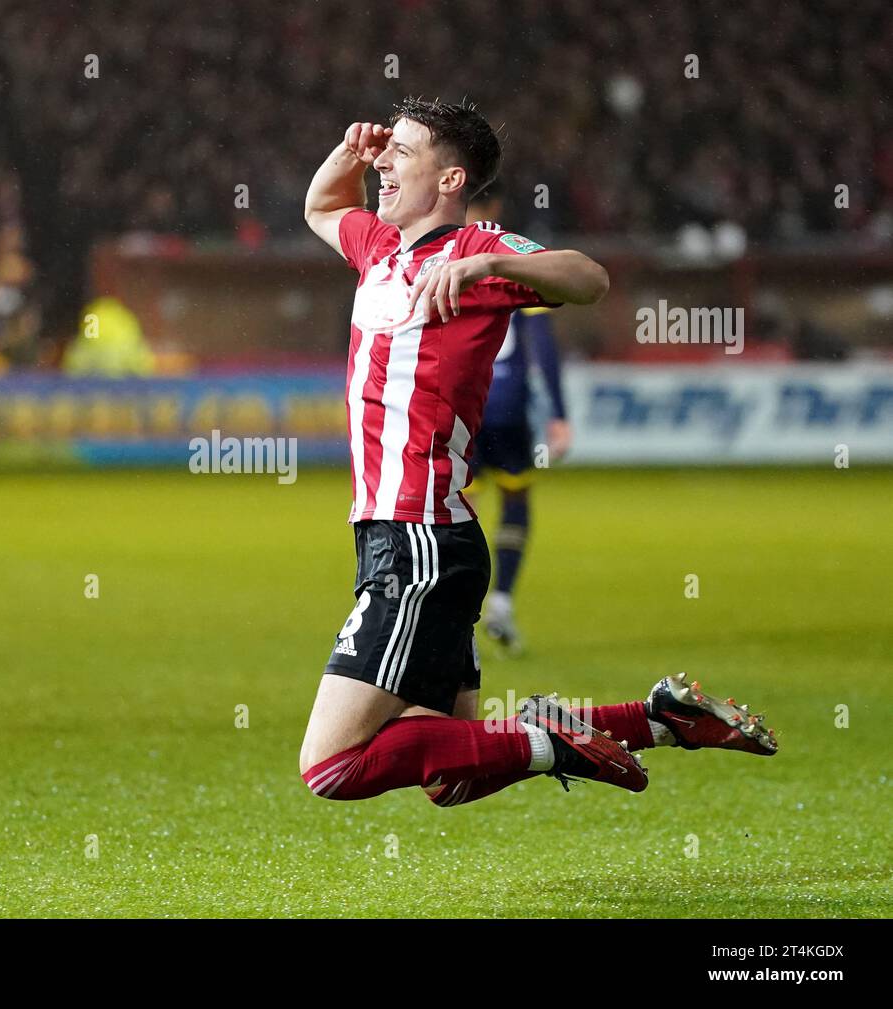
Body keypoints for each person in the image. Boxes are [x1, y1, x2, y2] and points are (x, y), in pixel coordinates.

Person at [299, 98, 775, 806]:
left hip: (417, 540)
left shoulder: (472, 253)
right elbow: (319, 208)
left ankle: (547, 738)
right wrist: (352, 150)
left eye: (402, 151)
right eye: (385, 150)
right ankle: (661, 719)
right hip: (412, 537)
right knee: (455, 776)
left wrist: (492, 256)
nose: (384, 164)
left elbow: (589, 279)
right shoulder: (378, 250)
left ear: (452, 179)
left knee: (332, 766)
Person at [464, 181, 571, 654]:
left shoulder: (438, 252)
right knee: (515, 500)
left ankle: (453, 614)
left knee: (452, 509)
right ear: (496, 206)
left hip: (461, 403)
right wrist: (559, 415)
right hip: (506, 405)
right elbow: (542, 346)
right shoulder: (511, 257)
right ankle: (502, 600)